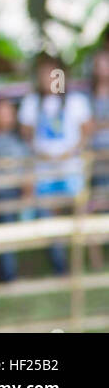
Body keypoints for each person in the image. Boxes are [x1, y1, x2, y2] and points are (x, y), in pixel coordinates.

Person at [18, 53, 93, 276]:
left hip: (72, 168)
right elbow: (27, 133)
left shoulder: (75, 101)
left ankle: (85, 260)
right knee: (50, 216)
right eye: (45, 74)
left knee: (79, 214)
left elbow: (86, 131)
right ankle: (60, 265)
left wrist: (70, 152)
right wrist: (41, 152)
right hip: (44, 171)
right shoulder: (32, 103)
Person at [0, 98, 32, 283]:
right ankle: (10, 277)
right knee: (6, 218)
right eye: (1, 112)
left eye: (9, 111)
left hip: (22, 191)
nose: (5, 116)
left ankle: (61, 270)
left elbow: (28, 167)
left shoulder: (22, 139)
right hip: (1, 194)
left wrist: (26, 191)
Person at [87, 33, 109, 269]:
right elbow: (85, 126)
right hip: (94, 159)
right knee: (93, 206)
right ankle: (96, 261)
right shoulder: (86, 96)